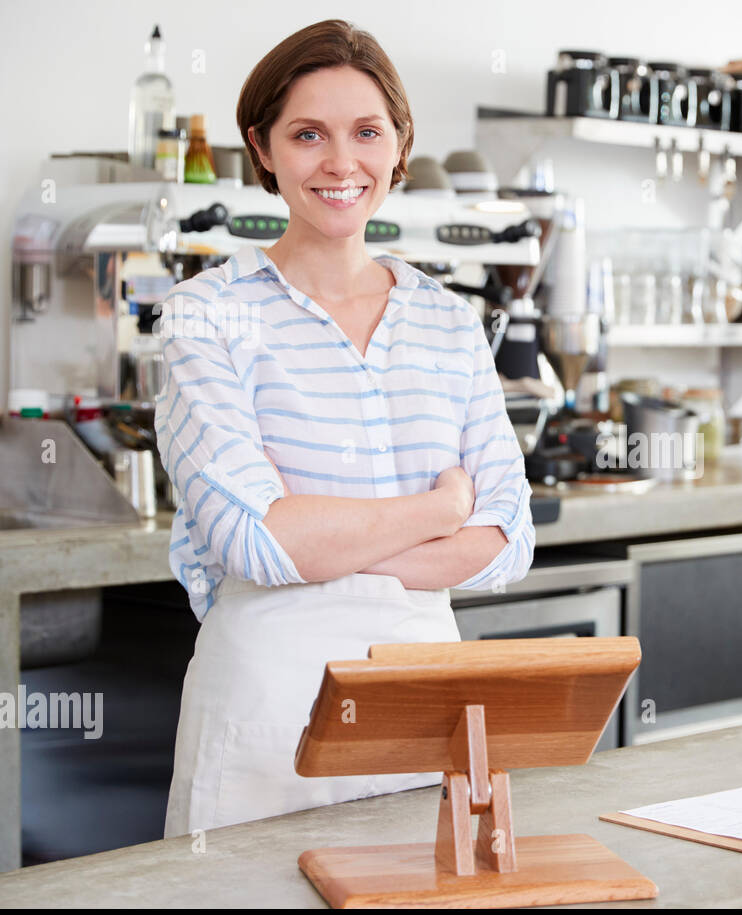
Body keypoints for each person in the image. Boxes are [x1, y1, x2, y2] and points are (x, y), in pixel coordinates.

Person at [156, 19, 534, 838]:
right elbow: (257, 543)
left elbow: (509, 537)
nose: (340, 162)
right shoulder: (204, 316)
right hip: (268, 714)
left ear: (400, 145)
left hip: (423, 704)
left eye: (367, 132)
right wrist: (438, 513)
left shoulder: (450, 321)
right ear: (262, 147)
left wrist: (323, 538)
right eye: (307, 134)